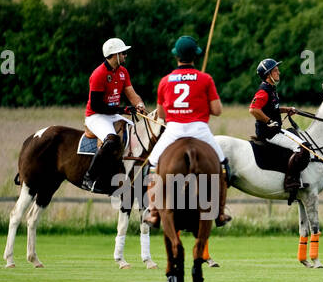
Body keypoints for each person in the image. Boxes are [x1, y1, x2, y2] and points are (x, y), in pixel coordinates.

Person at [143, 35, 229, 227]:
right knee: (223, 166)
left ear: (177, 57)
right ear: (195, 57)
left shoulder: (165, 81)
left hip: (173, 131)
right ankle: (221, 213)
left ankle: (154, 212)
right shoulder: (205, 79)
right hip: (199, 130)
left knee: (152, 166)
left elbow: (162, 114)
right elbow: (217, 110)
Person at [82, 37, 146, 193]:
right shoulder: (99, 74)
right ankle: (88, 178)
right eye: (123, 53)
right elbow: (97, 106)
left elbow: (131, 93)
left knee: (138, 133)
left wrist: (139, 105)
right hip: (96, 116)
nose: (125, 55)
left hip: (112, 114)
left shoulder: (123, 72)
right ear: (114, 55)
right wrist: (122, 110)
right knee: (111, 141)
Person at [248, 58, 310, 206]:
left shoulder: (271, 89)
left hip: (276, 130)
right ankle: (291, 181)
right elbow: (253, 109)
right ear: (268, 74)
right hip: (269, 133)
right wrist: (268, 121)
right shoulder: (263, 91)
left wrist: (285, 109)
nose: (278, 72)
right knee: (301, 148)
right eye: (275, 70)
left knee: (302, 143)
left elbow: (271, 108)